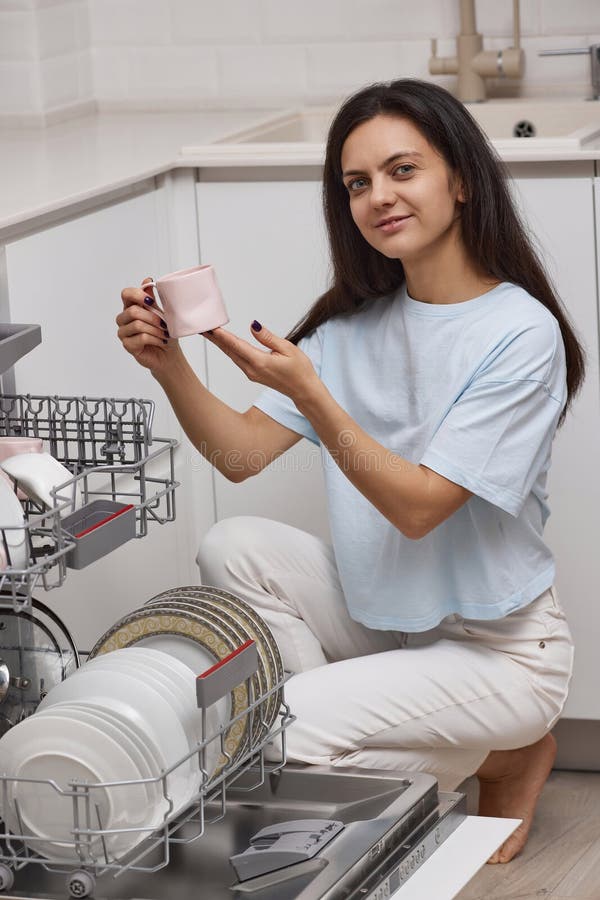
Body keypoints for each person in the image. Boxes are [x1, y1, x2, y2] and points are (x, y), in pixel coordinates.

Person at [116, 78, 584, 865]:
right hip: (398, 632)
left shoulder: (516, 333)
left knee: (277, 723)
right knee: (235, 545)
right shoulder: (353, 326)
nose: (380, 198)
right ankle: (406, 744)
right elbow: (239, 457)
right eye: (358, 183)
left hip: (503, 653)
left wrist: (315, 397)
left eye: (404, 171)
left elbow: (422, 509)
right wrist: (168, 366)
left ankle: (491, 745)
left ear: (461, 180)